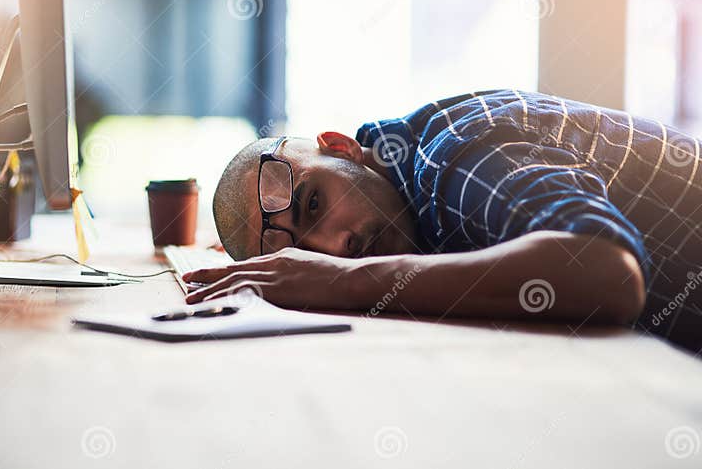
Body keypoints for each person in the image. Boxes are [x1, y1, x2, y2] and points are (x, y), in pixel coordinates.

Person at [185, 90, 702, 354]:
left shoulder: (456, 160)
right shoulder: (407, 179)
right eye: (304, 251)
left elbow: (608, 274)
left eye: (314, 204)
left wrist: (345, 282)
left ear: (342, 148)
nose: (336, 245)